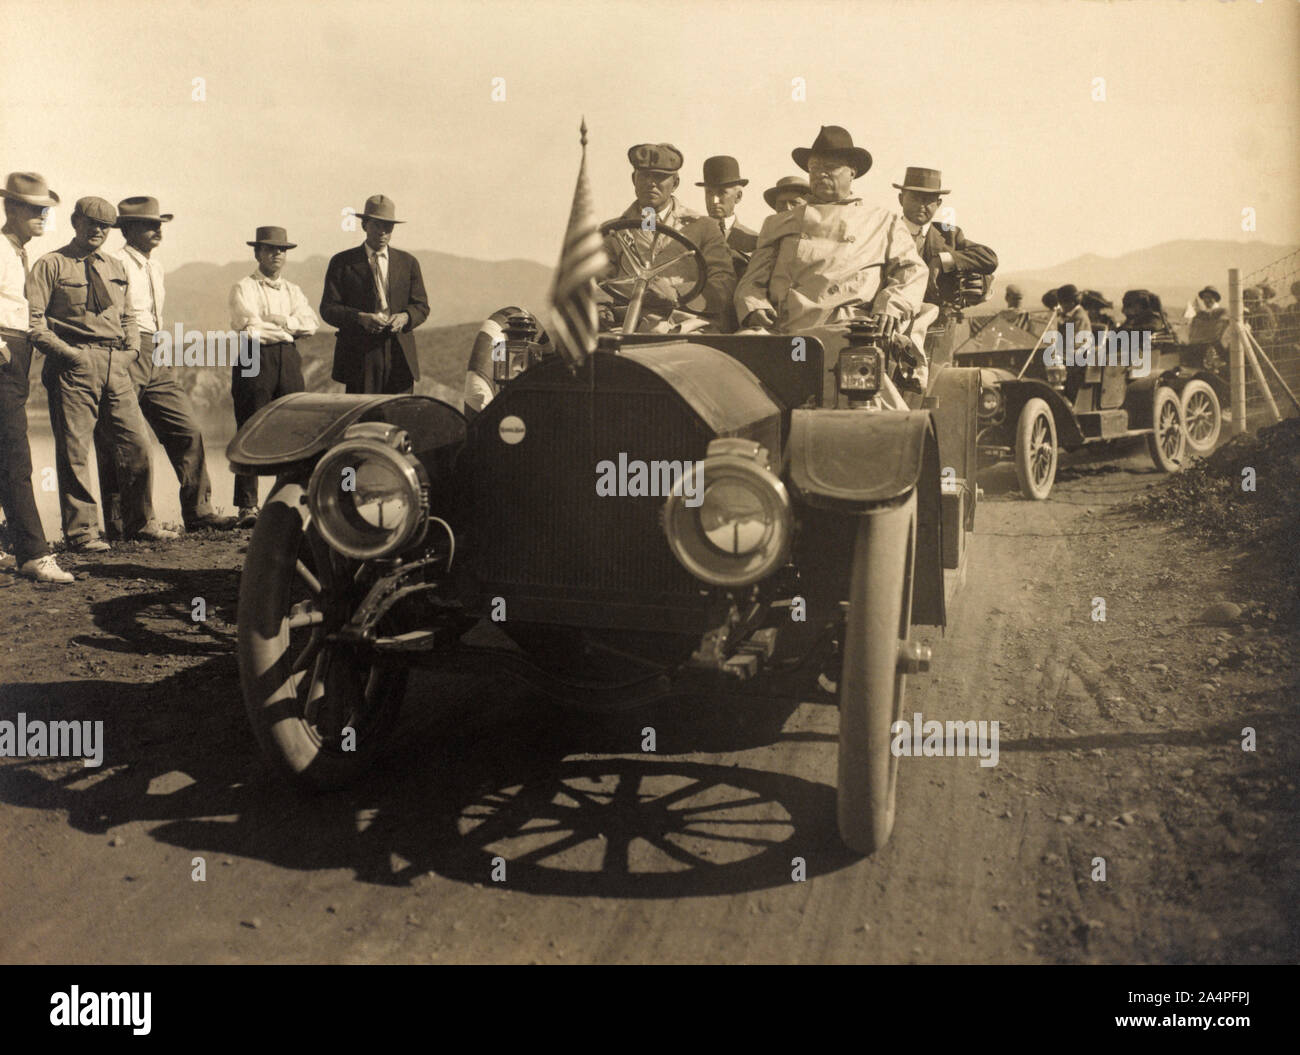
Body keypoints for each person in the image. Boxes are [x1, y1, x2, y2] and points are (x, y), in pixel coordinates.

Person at [28, 196, 174, 551]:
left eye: (105, 226)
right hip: (73, 366)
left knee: (137, 444)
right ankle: (82, 533)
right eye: (91, 223)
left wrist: (130, 352)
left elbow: (128, 317)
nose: (98, 231)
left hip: (117, 364)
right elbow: (34, 323)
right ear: (75, 222)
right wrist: (72, 356)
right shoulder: (51, 265)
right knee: (75, 452)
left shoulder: (115, 266)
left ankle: (141, 523)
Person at [735, 125, 927, 379]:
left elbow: (912, 271)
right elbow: (752, 282)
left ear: (852, 173)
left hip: (850, 333)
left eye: (831, 167)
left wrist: (891, 305)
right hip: (783, 333)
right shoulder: (779, 223)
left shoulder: (882, 221)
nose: (820, 174)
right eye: (814, 168)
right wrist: (753, 305)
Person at [95, 196, 235, 537]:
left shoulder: (155, 268)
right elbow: (110, 314)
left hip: (159, 350)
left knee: (188, 430)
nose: (158, 229)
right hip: (126, 348)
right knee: (124, 440)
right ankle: (129, 525)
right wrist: (125, 349)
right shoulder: (114, 263)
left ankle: (199, 512)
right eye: (149, 224)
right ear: (128, 229)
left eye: (159, 223)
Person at [0, 173, 72, 582]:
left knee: (3, 447)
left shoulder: (19, 251)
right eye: (33, 207)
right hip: (4, 349)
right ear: (10, 208)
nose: (42, 214)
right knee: (15, 452)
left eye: (45, 208)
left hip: (17, 348)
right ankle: (33, 553)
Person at [229, 226, 319, 526]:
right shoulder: (243, 287)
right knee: (251, 425)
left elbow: (311, 324)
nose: (277, 254)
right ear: (257, 253)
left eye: (281, 250)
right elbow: (251, 329)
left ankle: (287, 501)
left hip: (288, 359)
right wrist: (288, 327)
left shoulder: (294, 290)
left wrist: (282, 322)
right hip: (254, 358)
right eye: (270, 249)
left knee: (293, 425)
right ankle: (247, 507)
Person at [600, 143, 737, 333]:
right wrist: (601, 306)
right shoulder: (612, 232)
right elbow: (594, 280)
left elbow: (723, 284)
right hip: (625, 323)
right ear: (634, 179)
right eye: (644, 176)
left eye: (660, 177)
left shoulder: (704, 227)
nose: (651, 183)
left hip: (686, 324)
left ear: (675, 183)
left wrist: (677, 293)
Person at [320, 194, 429, 394]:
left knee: (397, 417)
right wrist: (359, 318)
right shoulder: (342, 263)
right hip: (359, 357)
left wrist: (405, 317)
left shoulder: (408, 263)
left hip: (399, 355)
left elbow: (421, 306)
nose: (383, 232)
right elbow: (328, 309)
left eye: (388, 226)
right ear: (364, 225)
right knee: (365, 420)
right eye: (377, 225)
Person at [697, 155, 757, 279]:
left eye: (722, 193)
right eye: (709, 193)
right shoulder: (692, 234)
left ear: (738, 196)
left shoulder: (754, 241)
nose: (714, 200)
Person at [1054, 284, 1092, 403]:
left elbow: (1074, 342)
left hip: (1078, 360)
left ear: (1070, 302)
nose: (1061, 305)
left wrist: (1058, 352)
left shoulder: (1079, 317)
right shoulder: (1070, 316)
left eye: (1062, 302)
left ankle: (1068, 402)